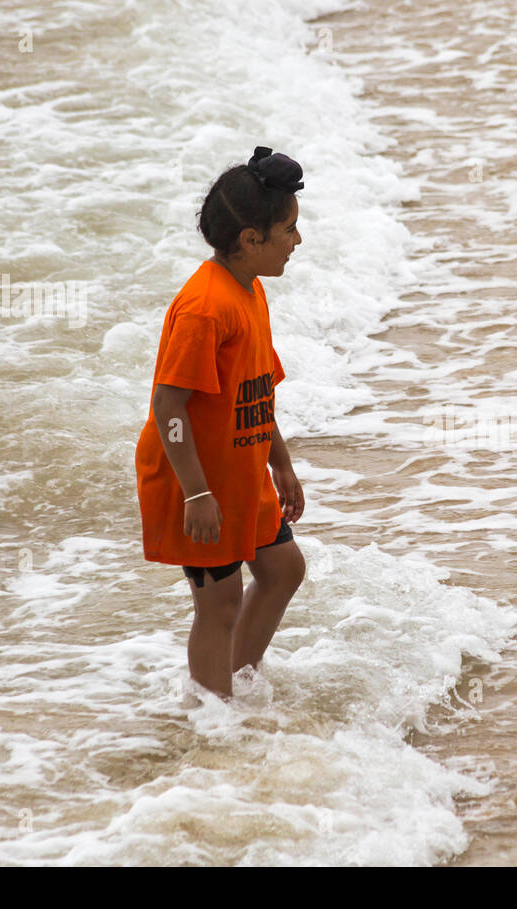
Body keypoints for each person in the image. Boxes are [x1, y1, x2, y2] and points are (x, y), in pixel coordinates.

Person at [135, 146, 306, 701]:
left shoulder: (249, 290)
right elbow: (168, 407)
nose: (297, 242)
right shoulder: (206, 308)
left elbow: (255, 391)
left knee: (283, 570)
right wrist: (196, 493)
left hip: (242, 472)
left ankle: (234, 682)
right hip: (198, 482)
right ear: (251, 240)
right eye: (288, 230)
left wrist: (280, 464)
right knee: (219, 604)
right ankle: (210, 724)